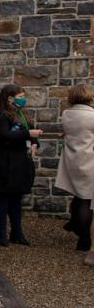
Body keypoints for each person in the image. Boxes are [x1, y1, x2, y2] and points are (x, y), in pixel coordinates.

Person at [0, 84, 41, 248]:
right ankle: (1, 234)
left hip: (21, 161)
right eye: (20, 97)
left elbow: (30, 131)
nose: (23, 100)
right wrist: (28, 134)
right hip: (6, 161)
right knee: (3, 199)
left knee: (16, 199)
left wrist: (34, 143)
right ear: (10, 98)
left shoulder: (21, 113)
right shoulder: (1, 115)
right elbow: (5, 134)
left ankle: (17, 232)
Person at [55, 84, 94, 253]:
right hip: (89, 161)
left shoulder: (66, 114)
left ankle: (74, 223)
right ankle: (84, 240)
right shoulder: (92, 116)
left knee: (79, 194)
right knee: (87, 199)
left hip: (72, 160)